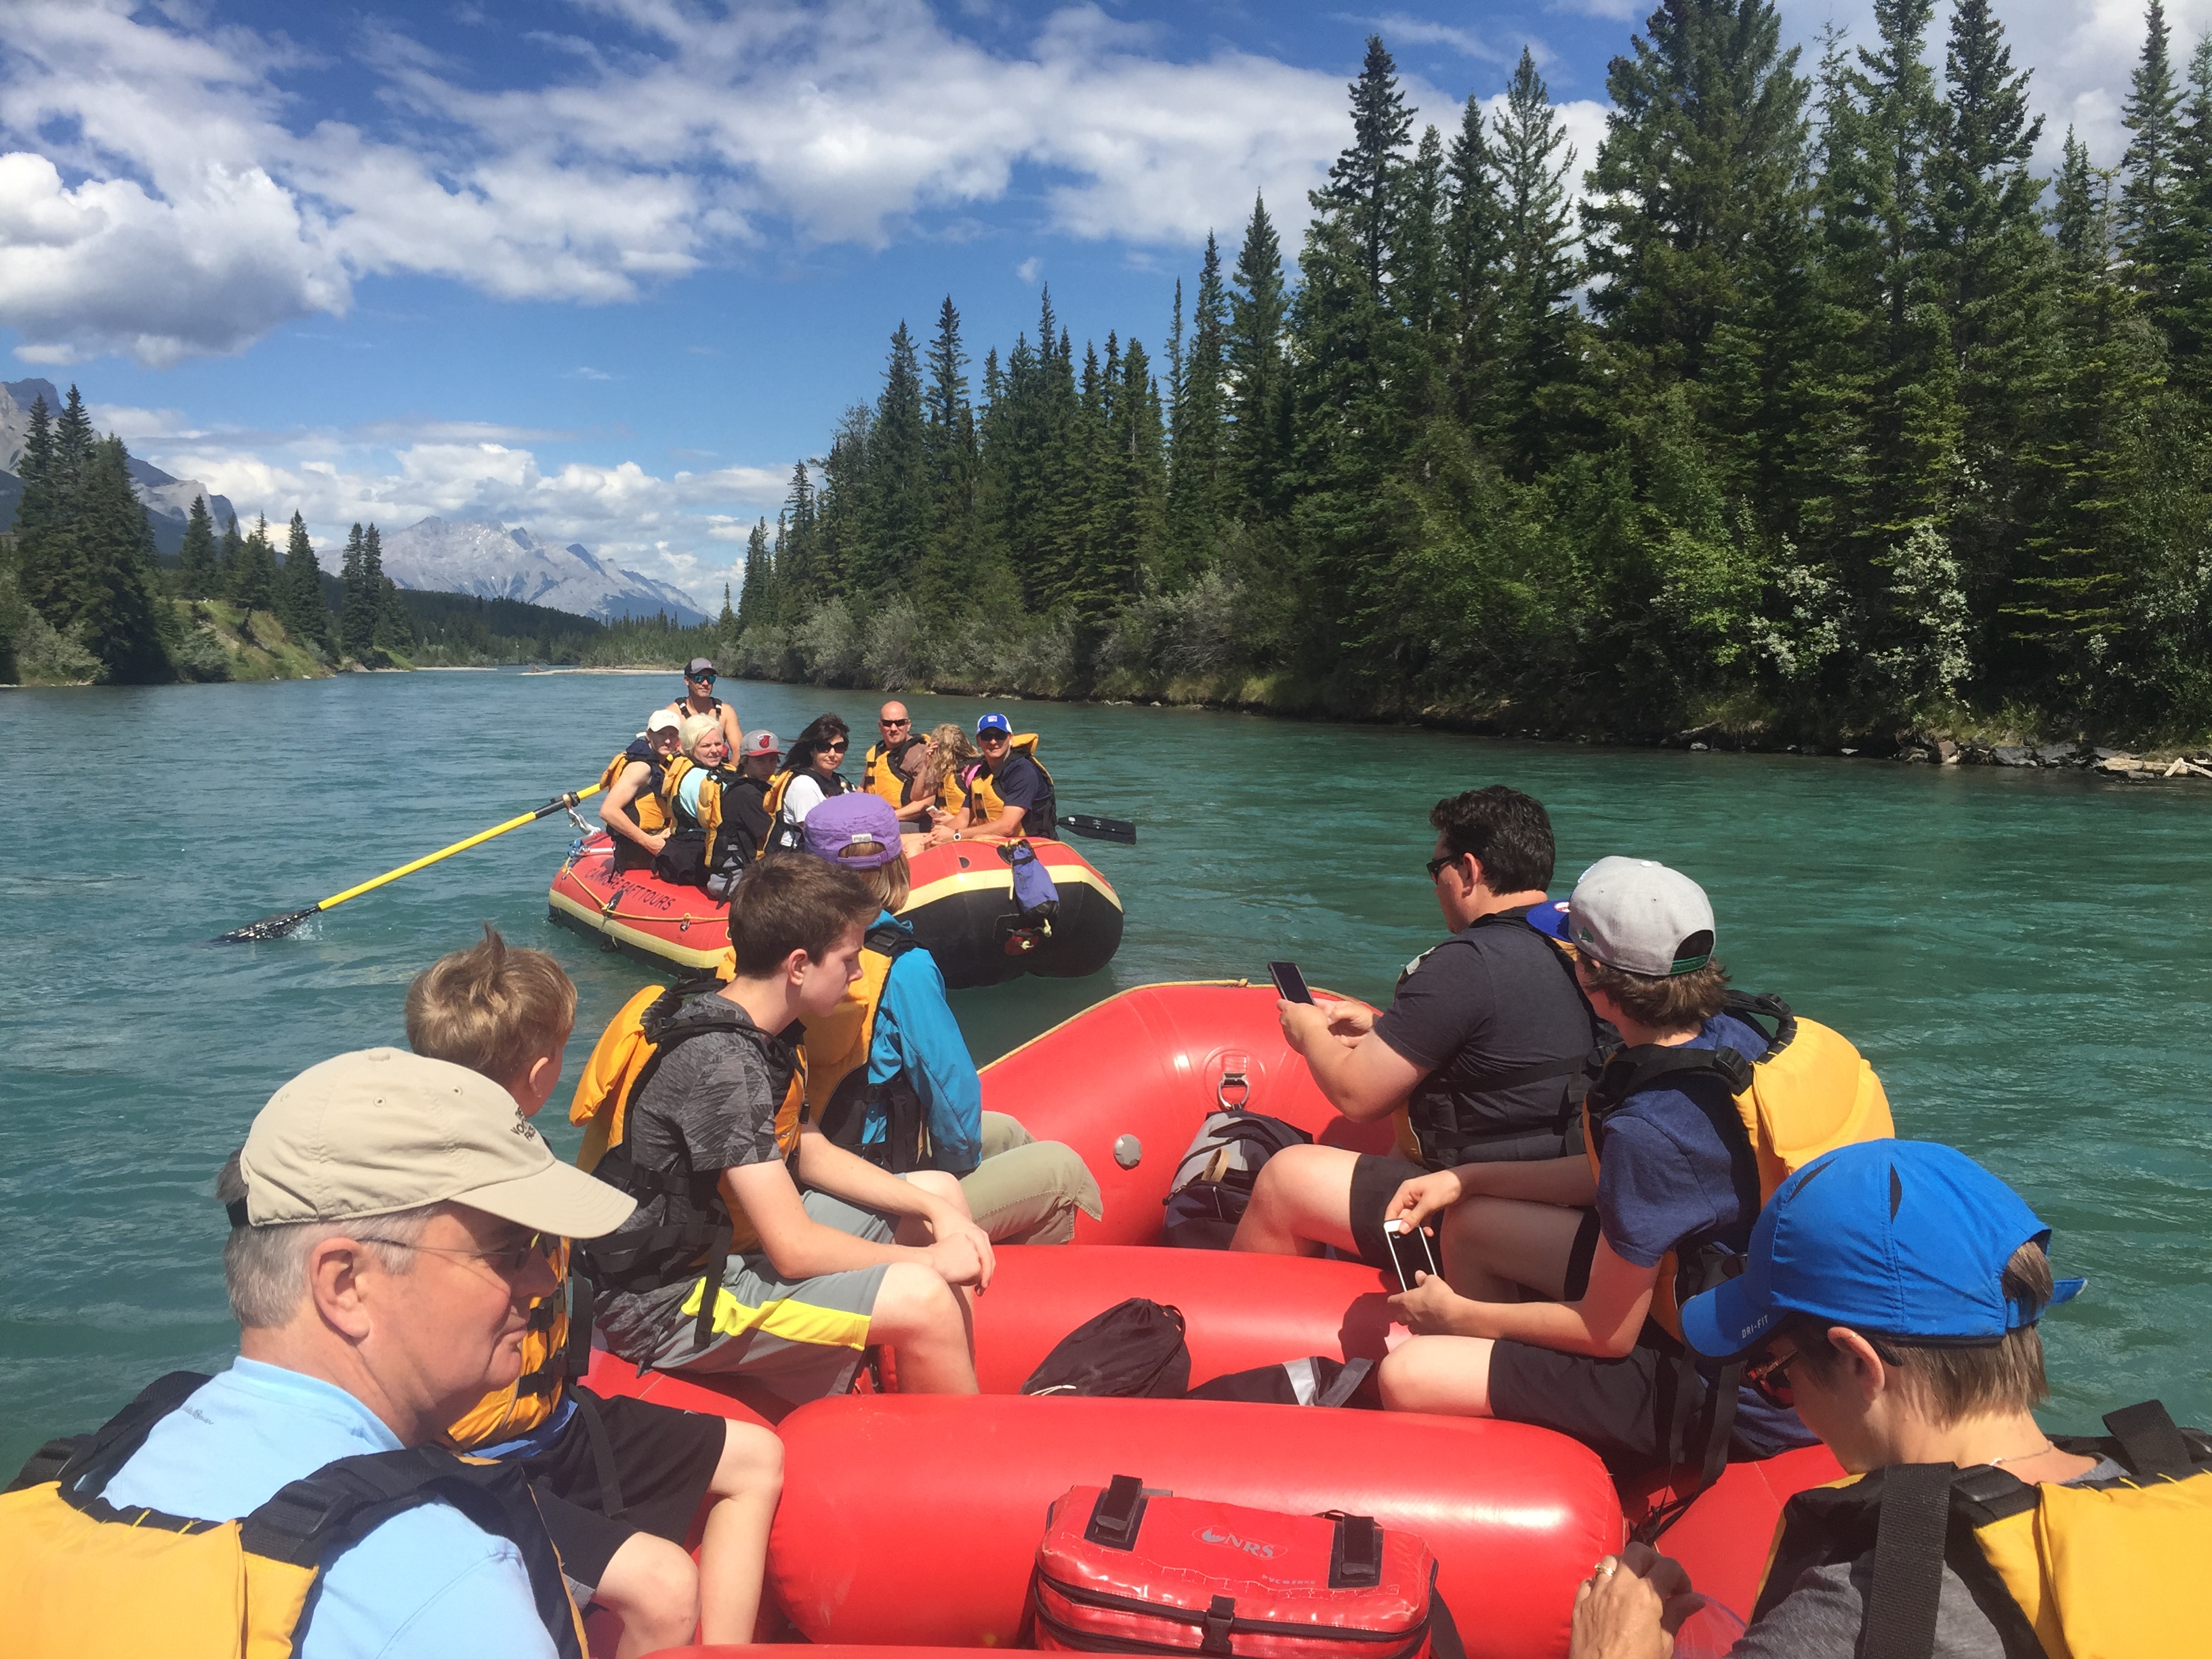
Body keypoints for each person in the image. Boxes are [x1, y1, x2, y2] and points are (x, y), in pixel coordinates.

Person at [22, 1047, 639, 1658]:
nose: (543, 1279)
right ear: (345, 1284)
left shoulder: (101, 1469)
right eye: (507, 1251)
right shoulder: (452, 1591)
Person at [1565, 1141, 2177, 1659]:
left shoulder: (1856, 1618)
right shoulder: (2178, 1476)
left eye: (1772, 1373)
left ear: (1860, 1362)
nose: (1785, 1400)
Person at [1366, 856, 1818, 1479]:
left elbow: (1606, 1334)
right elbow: (1627, 1180)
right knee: (1470, 1222)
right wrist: (1466, 1179)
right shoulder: (1733, 1033)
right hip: (1712, 1293)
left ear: (1593, 978)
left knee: (1409, 1373)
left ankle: (1506, 1484)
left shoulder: (1650, 1125)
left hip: (1725, 1389)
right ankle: (1505, 1399)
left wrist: (1456, 1317)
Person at [407, 928, 783, 1658]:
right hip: (474, 1466)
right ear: (546, 1071)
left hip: (552, 1421)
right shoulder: (439, 1194)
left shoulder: (518, 1154)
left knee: (755, 1459)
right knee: (664, 1588)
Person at [579, 854, 991, 1404]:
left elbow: (810, 1151)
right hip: (671, 1299)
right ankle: (959, 1461)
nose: (860, 974)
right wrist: (933, 1261)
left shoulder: (765, 1031)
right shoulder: (723, 1064)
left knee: (938, 1190)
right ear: (798, 965)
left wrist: (935, 1212)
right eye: (848, 958)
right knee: (926, 1296)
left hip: (728, 1246)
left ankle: (917, 1382)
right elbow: (793, 1249)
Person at [1230, 787, 1601, 1271]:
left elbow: (1357, 1096)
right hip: (1569, 1197)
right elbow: (1519, 1057)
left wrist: (1308, 1033)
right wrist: (1385, 1029)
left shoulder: (1466, 964)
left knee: (1287, 1178)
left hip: (1490, 1213)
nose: (1435, 886)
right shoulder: (1581, 949)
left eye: (1437, 870)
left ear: (1468, 870)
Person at [800, 793, 1103, 1244]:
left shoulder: (787, 948)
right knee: (1061, 1170)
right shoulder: (904, 965)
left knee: (1007, 1132)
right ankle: (1015, 1292)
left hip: (814, 1168)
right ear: (896, 865)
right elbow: (950, 1091)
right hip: (867, 1189)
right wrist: (956, 1171)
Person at [599, 710, 683, 871]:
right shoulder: (641, 768)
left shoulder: (663, 764)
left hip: (650, 845)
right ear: (648, 735)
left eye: (673, 735)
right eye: (661, 734)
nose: (667, 740)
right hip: (637, 855)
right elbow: (607, 811)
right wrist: (648, 841)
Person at [760, 714, 852, 855]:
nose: (832, 754)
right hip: (799, 865)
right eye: (824, 747)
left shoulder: (838, 782)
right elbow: (817, 836)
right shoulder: (803, 786)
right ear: (811, 750)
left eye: (839, 747)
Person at [962, 712, 1057, 842]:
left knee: (980, 838)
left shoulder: (1023, 771)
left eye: (1000, 736)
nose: (993, 741)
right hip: (999, 842)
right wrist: (937, 836)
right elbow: (962, 819)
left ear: (1011, 738)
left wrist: (956, 835)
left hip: (1035, 845)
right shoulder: (980, 774)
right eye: (987, 736)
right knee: (927, 839)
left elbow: (1008, 827)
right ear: (978, 740)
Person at [860, 701, 929, 828]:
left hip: (910, 823)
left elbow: (927, 801)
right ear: (880, 726)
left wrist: (889, 817)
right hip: (876, 820)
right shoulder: (876, 754)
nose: (893, 729)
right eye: (887, 724)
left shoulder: (921, 754)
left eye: (899, 723)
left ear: (908, 725)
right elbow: (861, 791)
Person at [663, 657, 742, 758]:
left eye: (710, 679)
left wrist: (730, 772)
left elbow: (739, 752)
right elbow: (661, 752)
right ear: (687, 681)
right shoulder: (672, 714)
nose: (705, 684)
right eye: (699, 679)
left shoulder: (725, 712)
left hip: (718, 771)